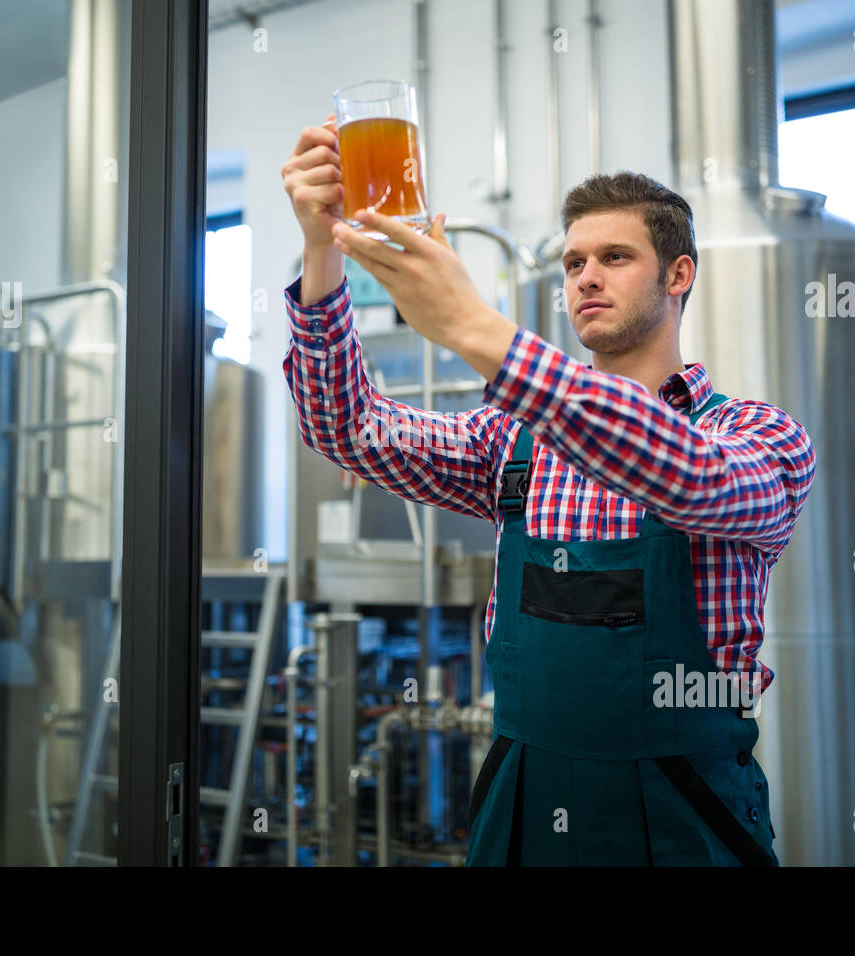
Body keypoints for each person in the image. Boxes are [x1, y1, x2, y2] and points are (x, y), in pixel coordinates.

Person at [279, 116, 815, 866]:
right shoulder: (513, 442)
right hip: (524, 801)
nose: (586, 277)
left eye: (616, 257)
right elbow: (348, 430)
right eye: (572, 263)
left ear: (678, 275)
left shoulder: (762, 440)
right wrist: (320, 252)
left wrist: (474, 328)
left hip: (683, 814)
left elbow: (687, 477)